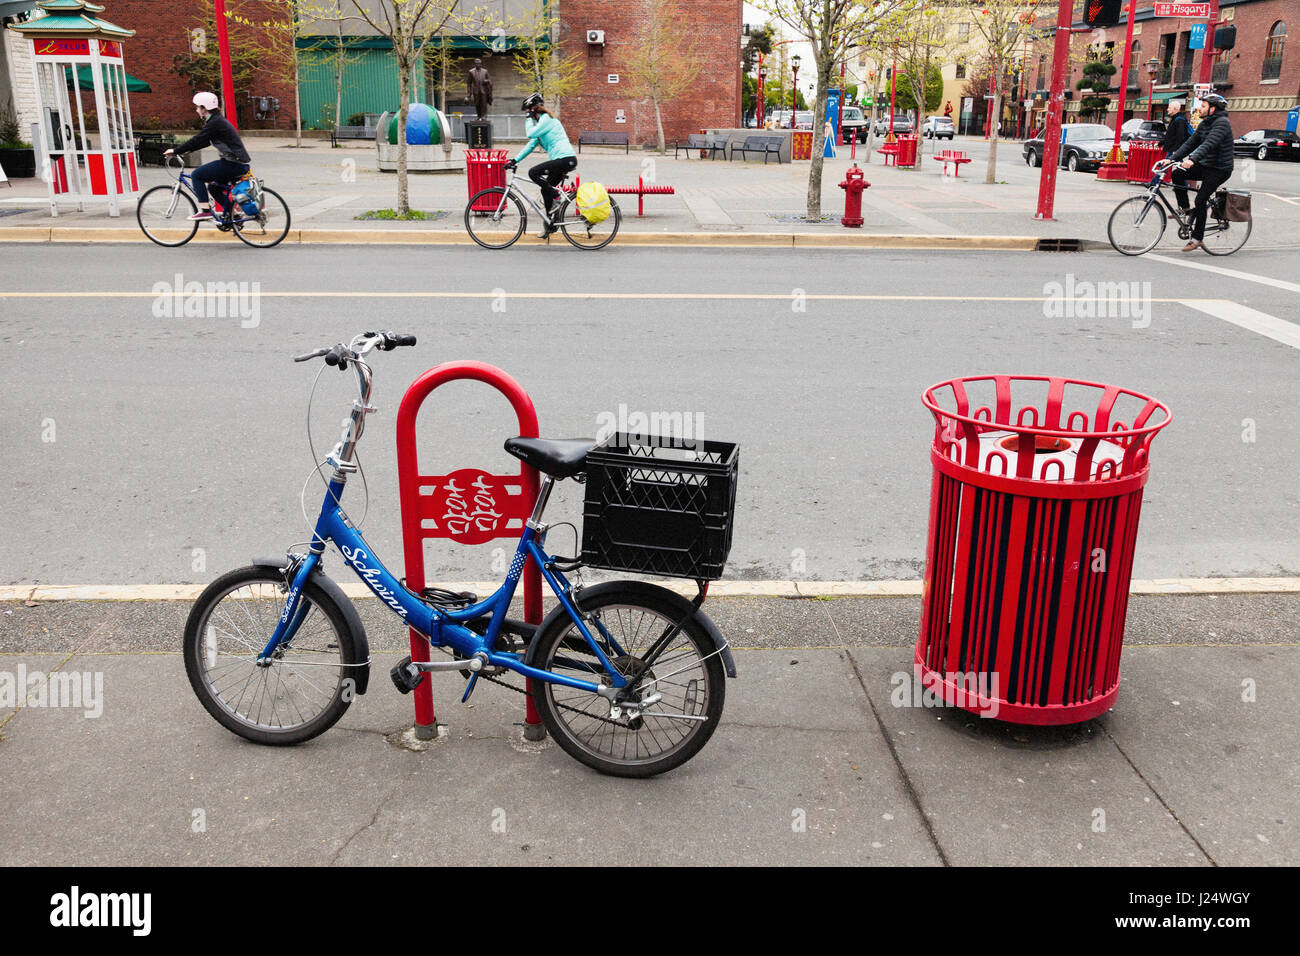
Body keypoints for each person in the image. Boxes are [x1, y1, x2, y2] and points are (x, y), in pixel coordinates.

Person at [1157, 93, 1234, 252]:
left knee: (1200, 200)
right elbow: (1190, 143)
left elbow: (1210, 144)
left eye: (1204, 106)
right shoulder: (1205, 124)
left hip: (1220, 169)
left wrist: (1192, 159)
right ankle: (1185, 208)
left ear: (1213, 109)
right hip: (1206, 165)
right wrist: (1172, 158)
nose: (1200, 108)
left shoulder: (1222, 123)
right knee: (1177, 172)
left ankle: (1197, 238)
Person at [163, 92, 251, 222]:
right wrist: (187, 150)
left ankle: (205, 211)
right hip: (237, 163)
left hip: (233, 163)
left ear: (205, 108)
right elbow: (205, 141)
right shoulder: (217, 120)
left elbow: (198, 139)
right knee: (213, 187)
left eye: (198, 107)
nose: (196, 110)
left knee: (197, 175)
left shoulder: (215, 123)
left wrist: (176, 150)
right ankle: (233, 214)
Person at [505, 93, 576, 239]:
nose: (527, 113)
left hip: (565, 158)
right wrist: (514, 160)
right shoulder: (541, 127)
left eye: (528, 110)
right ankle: (550, 224)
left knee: (533, 172)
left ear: (534, 109)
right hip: (561, 160)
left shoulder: (546, 119)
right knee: (546, 189)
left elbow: (530, 133)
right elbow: (530, 146)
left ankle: (557, 197)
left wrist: (528, 119)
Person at [1160, 100, 1193, 209]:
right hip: (1173, 147)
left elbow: (1179, 136)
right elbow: (1171, 135)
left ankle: (1154, 182)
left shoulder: (1179, 120)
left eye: (1169, 107)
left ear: (1175, 109)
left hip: (1175, 149)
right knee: (1179, 166)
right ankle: (1185, 184)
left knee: (1167, 165)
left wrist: (1176, 150)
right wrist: (1162, 142)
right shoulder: (1175, 119)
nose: (1167, 109)